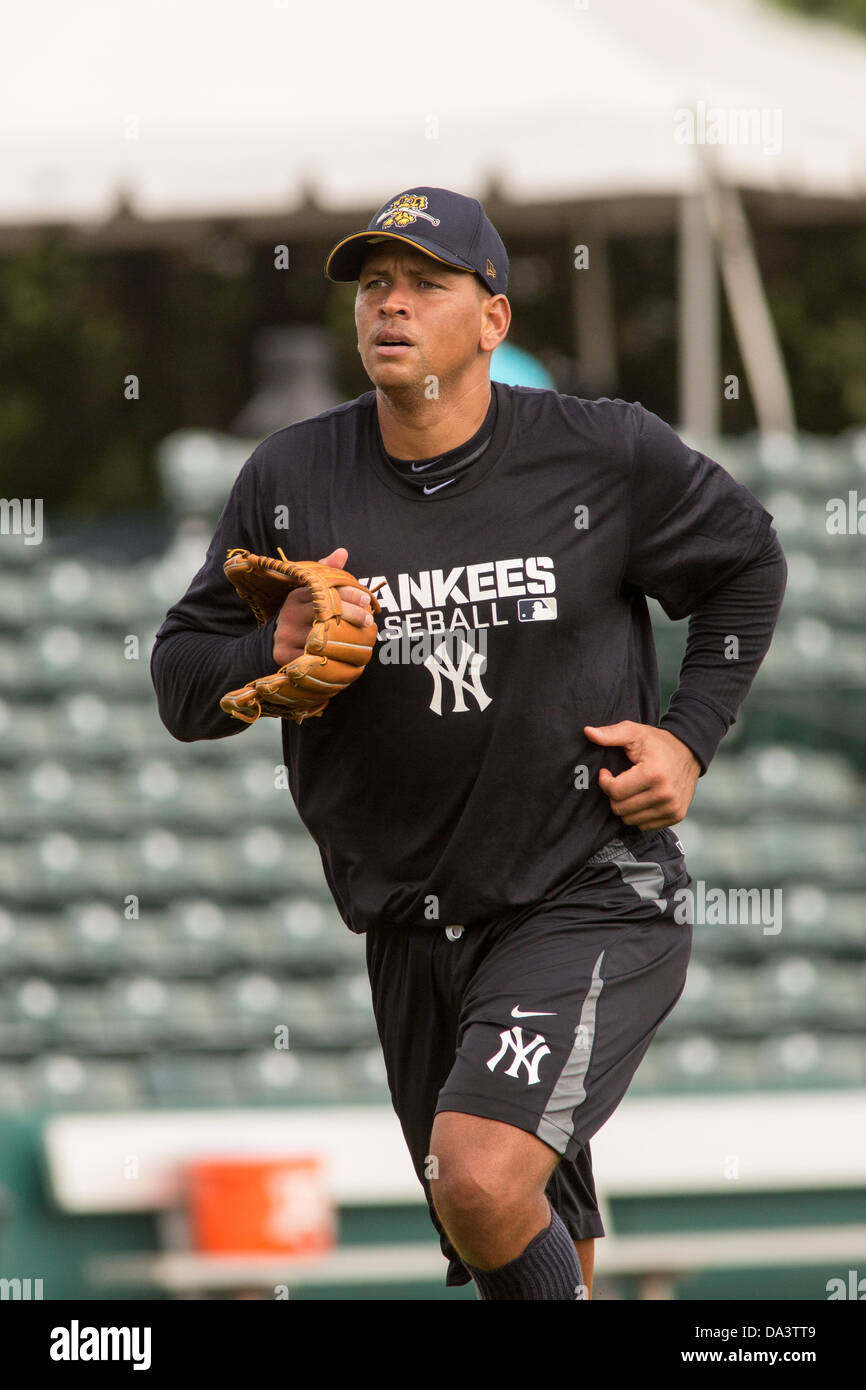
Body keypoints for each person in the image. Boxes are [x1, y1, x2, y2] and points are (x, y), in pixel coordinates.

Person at [151, 185, 787, 1301]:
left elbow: (744, 565)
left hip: (585, 884)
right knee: (525, 1246)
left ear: (491, 319)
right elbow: (180, 681)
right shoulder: (292, 479)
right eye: (373, 284)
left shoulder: (600, 453)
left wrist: (688, 737)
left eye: (425, 283)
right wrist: (268, 645)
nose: (389, 306)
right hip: (409, 921)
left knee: (480, 1177)